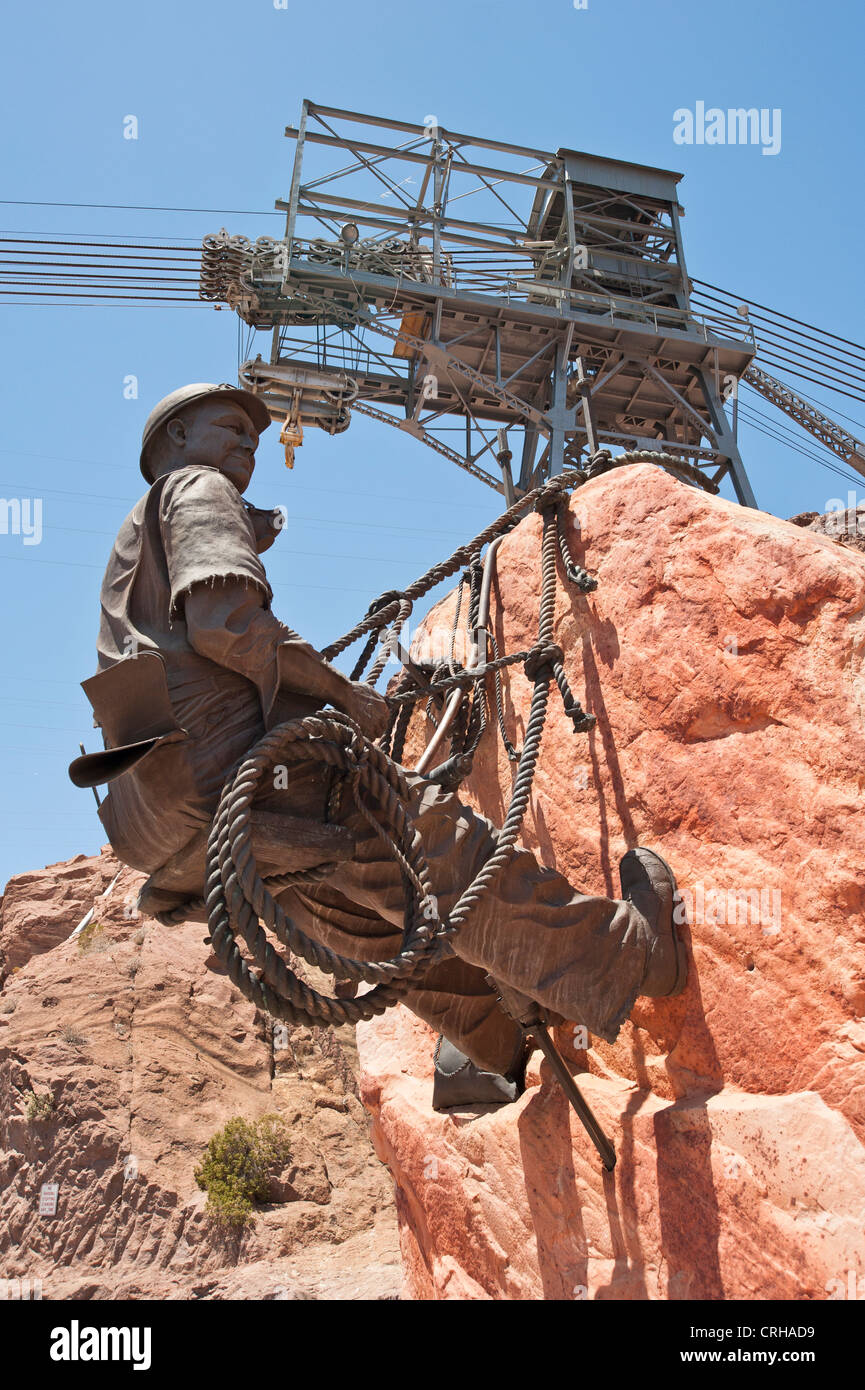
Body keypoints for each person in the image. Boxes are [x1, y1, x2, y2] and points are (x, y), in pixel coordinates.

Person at [70, 383, 687, 1105]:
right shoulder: (194, 485)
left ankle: (491, 1038)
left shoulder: (131, 544)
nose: (249, 443)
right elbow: (225, 625)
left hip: (168, 827)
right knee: (434, 843)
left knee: (363, 911)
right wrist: (343, 693)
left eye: (255, 437)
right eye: (229, 426)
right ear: (173, 440)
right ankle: (634, 959)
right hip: (245, 775)